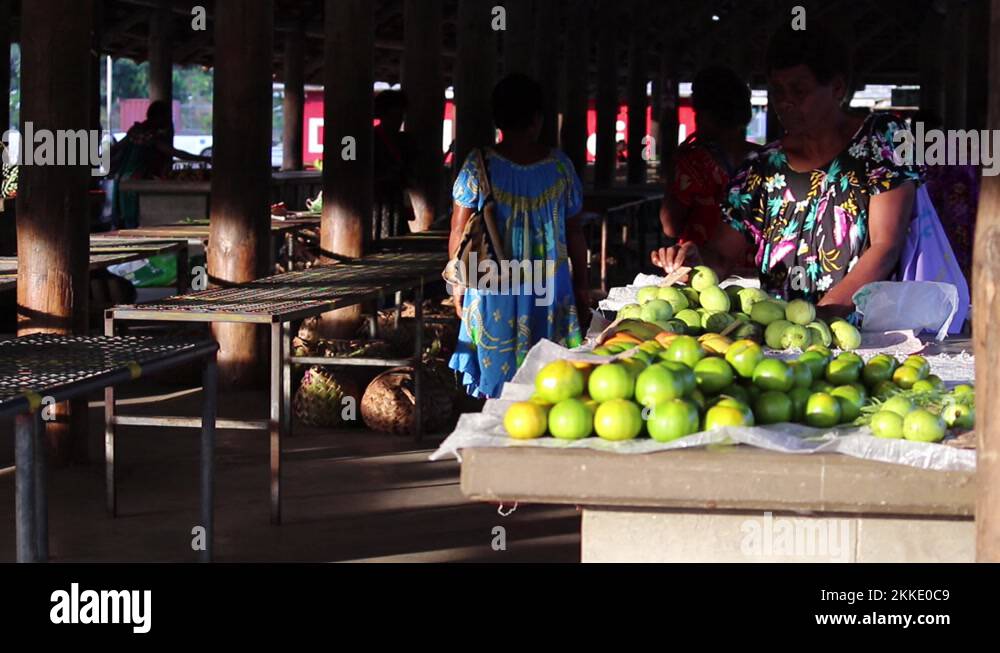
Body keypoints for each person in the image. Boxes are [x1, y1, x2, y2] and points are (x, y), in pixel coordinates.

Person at [651, 25, 921, 320]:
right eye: (777, 91)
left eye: (799, 90)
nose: (785, 102)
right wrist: (695, 258)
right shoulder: (760, 168)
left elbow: (886, 245)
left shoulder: (880, 139)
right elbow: (722, 256)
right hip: (783, 334)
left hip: (866, 328)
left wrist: (823, 315)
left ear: (837, 88)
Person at [448, 74, 589, 398]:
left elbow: (459, 229)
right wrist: (582, 286)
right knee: (550, 384)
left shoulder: (478, 165)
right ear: (538, 119)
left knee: (500, 384)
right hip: (549, 288)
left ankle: (498, 435)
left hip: (491, 286)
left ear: (497, 118)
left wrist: (457, 282)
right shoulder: (560, 167)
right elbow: (575, 230)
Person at [661, 66, 759, 251]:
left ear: (705, 116)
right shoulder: (767, 160)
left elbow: (670, 227)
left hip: (703, 270)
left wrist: (675, 164)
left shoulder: (693, 163)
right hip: (757, 268)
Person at [109, 100, 210, 228]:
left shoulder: (135, 130)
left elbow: (116, 148)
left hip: (122, 179)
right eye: (166, 117)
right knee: (134, 219)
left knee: (124, 219)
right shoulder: (149, 135)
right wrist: (204, 159)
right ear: (158, 117)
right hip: (135, 179)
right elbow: (176, 153)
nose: (168, 121)